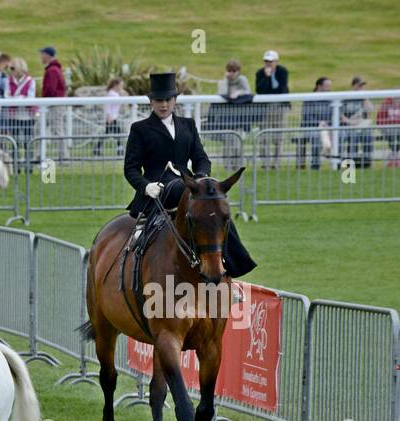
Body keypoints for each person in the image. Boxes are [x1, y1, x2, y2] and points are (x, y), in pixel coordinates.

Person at [123, 72, 255, 278]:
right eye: (159, 100)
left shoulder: (188, 125)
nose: (164, 105)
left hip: (189, 185)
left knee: (218, 209)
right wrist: (145, 186)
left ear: (175, 100)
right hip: (157, 190)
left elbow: (202, 158)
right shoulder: (140, 129)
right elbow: (130, 169)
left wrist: (201, 177)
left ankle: (233, 266)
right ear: (151, 102)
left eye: (168, 100)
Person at [255, 50, 290, 168]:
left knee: (278, 137)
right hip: (265, 109)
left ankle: (277, 163)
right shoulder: (260, 73)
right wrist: (267, 77)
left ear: (276, 61)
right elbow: (260, 90)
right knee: (264, 137)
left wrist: (272, 79)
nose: (268, 63)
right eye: (266, 61)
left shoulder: (282, 71)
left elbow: (282, 89)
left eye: (271, 61)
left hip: (280, 107)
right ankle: (265, 163)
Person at [6, 57, 37, 163]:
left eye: (13, 68)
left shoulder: (30, 81)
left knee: (28, 142)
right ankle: (16, 165)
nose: (12, 71)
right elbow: (7, 96)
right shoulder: (9, 81)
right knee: (14, 142)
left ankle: (29, 165)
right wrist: (20, 98)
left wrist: (17, 98)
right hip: (14, 116)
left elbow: (30, 97)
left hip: (27, 116)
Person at [299, 77, 334, 170]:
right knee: (316, 136)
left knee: (340, 134)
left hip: (328, 127)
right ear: (319, 86)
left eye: (330, 86)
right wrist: (319, 123)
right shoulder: (309, 99)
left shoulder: (331, 99)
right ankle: (315, 165)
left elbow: (334, 115)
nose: (329, 89)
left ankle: (336, 165)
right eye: (327, 86)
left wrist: (327, 124)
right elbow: (306, 116)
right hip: (311, 127)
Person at [340, 76, 373, 168]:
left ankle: (367, 162)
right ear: (353, 85)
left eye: (363, 86)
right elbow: (341, 116)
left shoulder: (364, 98)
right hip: (348, 125)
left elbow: (370, 112)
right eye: (359, 85)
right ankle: (351, 162)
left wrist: (365, 98)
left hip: (361, 125)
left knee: (368, 136)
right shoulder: (345, 98)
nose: (361, 88)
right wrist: (351, 122)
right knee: (353, 136)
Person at [94, 76, 125, 156]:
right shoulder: (111, 93)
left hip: (114, 117)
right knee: (116, 134)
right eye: (121, 85)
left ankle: (98, 149)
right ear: (116, 85)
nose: (122, 87)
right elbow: (107, 105)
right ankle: (119, 149)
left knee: (111, 133)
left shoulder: (116, 93)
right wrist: (108, 116)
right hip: (111, 118)